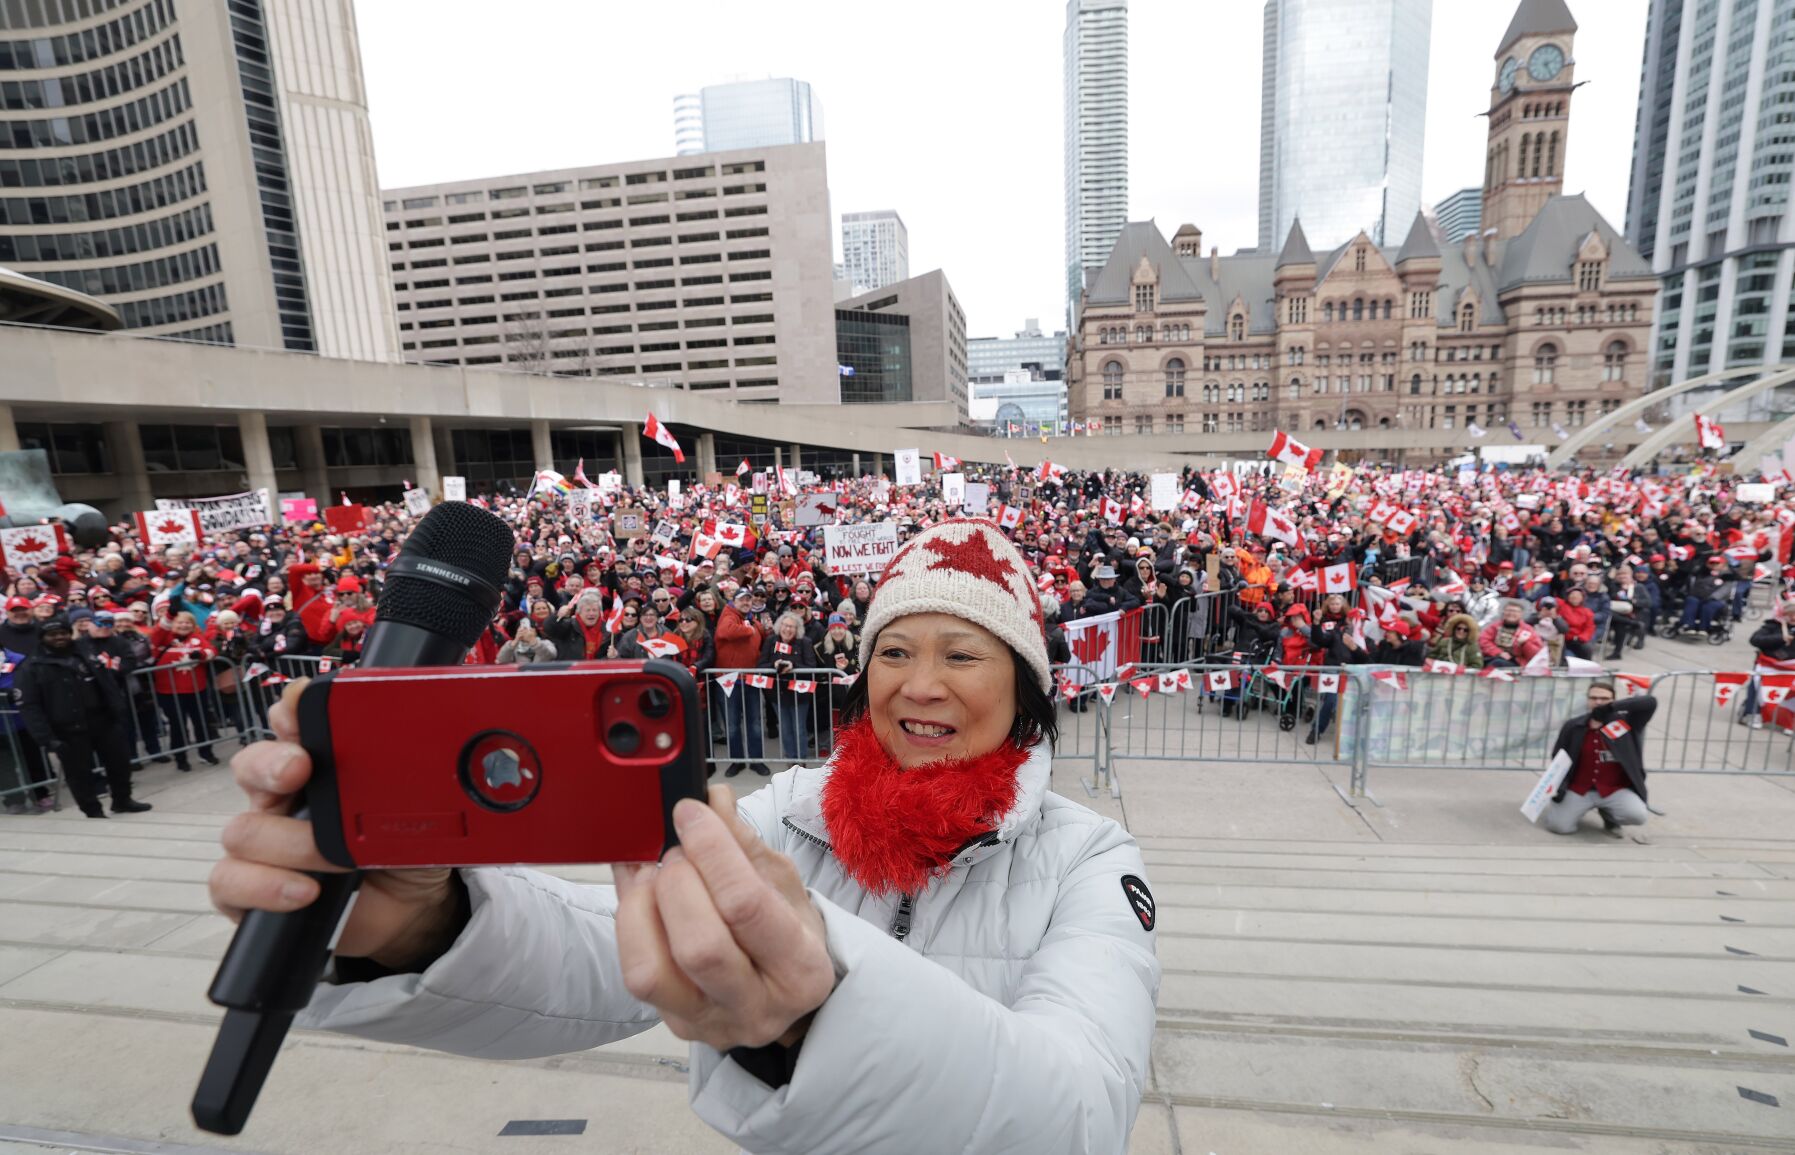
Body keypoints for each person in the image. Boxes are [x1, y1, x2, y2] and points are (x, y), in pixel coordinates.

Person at [211, 518, 1159, 1154]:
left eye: (962, 654)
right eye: (896, 652)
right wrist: (425, 919)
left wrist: (818, 1012)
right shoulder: (791, 810)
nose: (920, 683)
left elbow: (1081, 1109)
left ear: (1026, 686)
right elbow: (606, 949)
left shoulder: (1087, 858)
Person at [15, 617, 151, 819]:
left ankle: (122, 800)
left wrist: (118, 709)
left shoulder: (85, 653)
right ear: (43, 638)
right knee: (80, 774)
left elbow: (107, 681)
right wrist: (45, 738)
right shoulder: (31, 666)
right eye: (53, 635)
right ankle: (92, 811)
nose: (59, 637)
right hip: (67, 728)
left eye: (63, 633)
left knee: (119, 763)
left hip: (103, 719)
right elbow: (29, 705)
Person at [1541, 681, 1656, 837]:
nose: (1598, 702)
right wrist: (1558, 786)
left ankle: (1609, 815)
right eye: (1593, 698)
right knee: (1559, 827)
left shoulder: (1627, 722)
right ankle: (1573, 809)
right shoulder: (1574, 725)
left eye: (1604, 699)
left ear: (1613, 700)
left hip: (1615, 789)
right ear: (1587, 700)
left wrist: (1612, 708)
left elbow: (1650, 702)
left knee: (1637, 815)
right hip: (1580, 788)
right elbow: (1558, 756)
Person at [714, 587, 770, 778]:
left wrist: (761, 629)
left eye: (748, 599)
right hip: (730, 681)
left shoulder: (752, 620)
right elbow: (726, 632)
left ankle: (756, 760)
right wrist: (749, 629)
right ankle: (736, 761)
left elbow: (763, 638)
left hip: (751, 680)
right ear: (734, 601)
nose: (746, 602)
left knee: (754, 723)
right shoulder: (729, 614)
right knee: (732, 724)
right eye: (742, 600)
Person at [761, 611, 821, 761]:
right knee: (785, 729)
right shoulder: (771, 641)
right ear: (779, 626)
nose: (788, 629)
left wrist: (793, 665)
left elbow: (811, 667)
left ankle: (801, 761)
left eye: (792, 627)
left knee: (799, 729)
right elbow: (760, 665)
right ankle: (791, 759)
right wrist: (772, 665)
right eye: (785, 625)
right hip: (777, 694)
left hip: (799, 695)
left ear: (797, 629)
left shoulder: (804, 642)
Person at [1479, 601, 1542, 669]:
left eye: (1515, 611)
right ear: (1503, 612)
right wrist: (1499, 652)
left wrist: (1525, 644)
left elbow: (1535, 654)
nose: (1511, 613)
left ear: (1521, 614)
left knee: (1497, 663)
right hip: (1493, 657)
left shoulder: (1529, 630)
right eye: (1508, 610)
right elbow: (1483, 641)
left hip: (1516, 663)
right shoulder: (1494, 627)